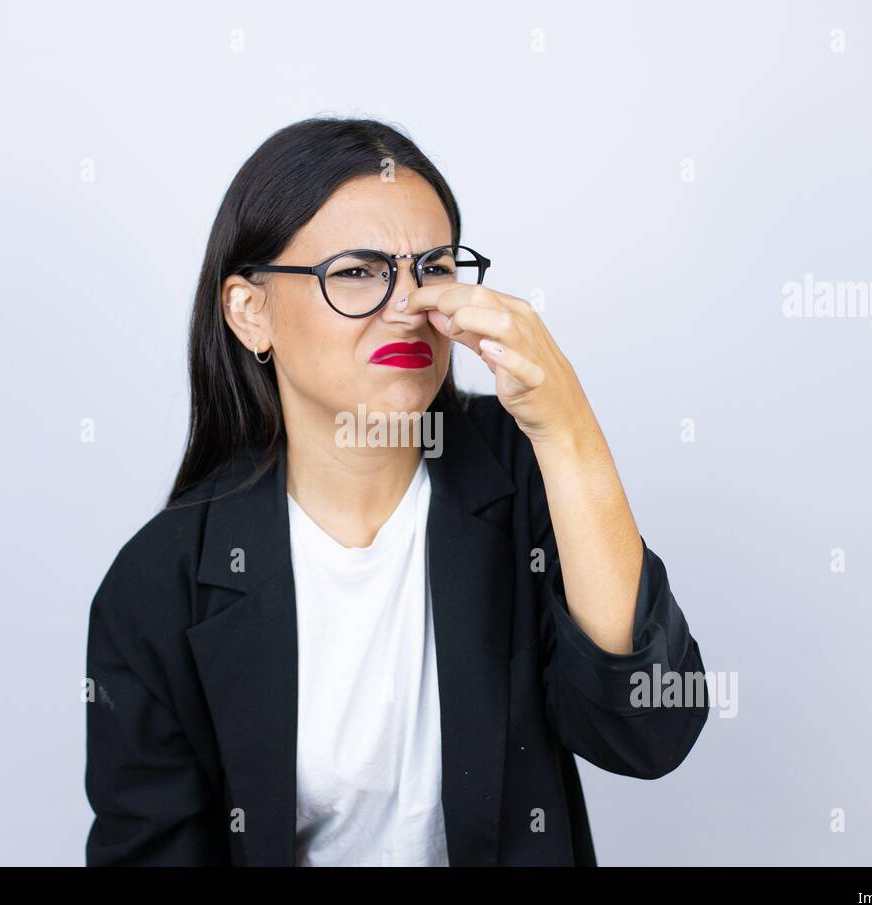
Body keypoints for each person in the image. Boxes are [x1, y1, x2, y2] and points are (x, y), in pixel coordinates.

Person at [84, 116, 709, 866]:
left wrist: (566, 425)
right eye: (357, 271)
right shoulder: (159, 583)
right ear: (251, 313)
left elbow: (645, 730)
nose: (409, 304)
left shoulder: (522, 475)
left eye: (434, 268)